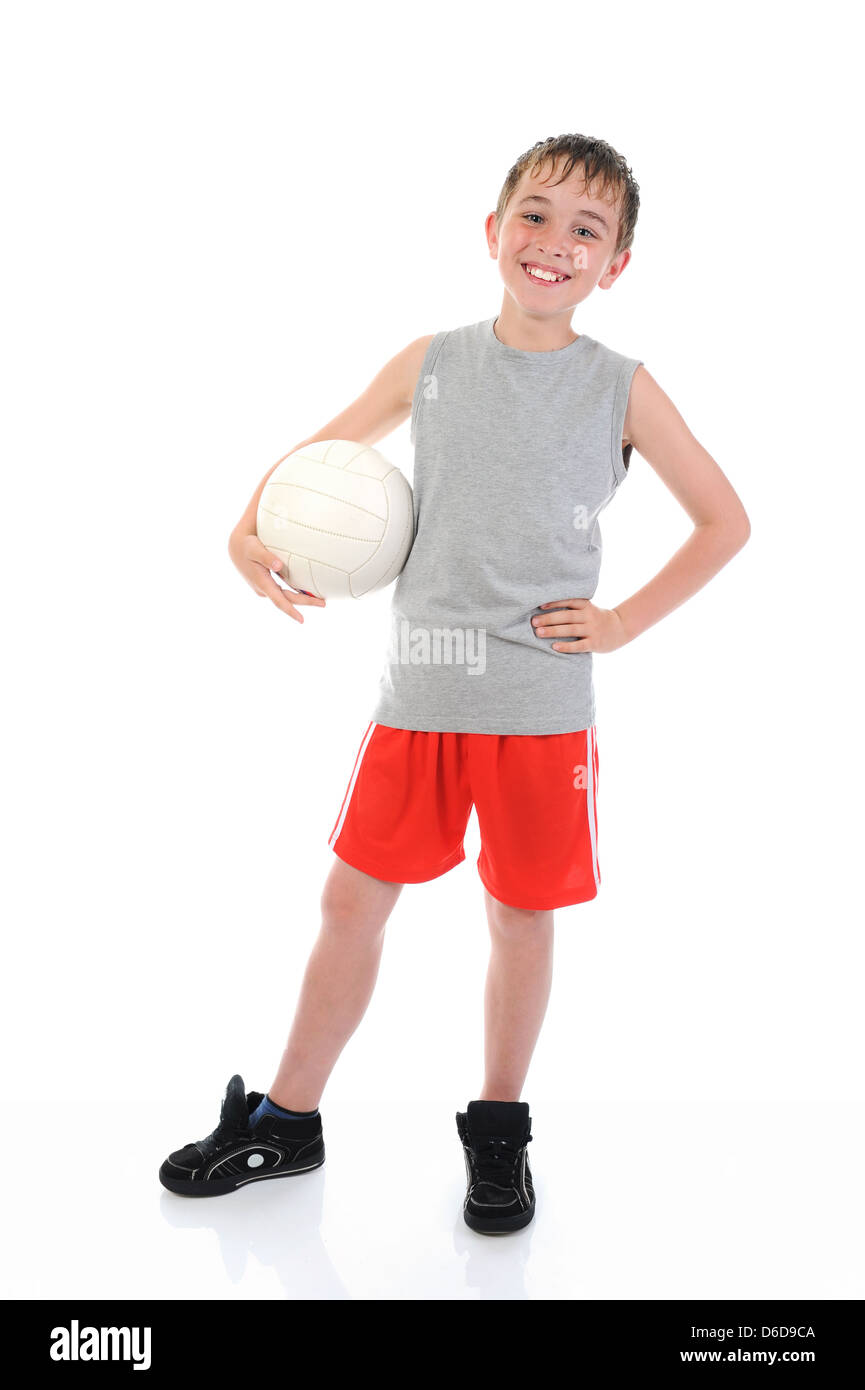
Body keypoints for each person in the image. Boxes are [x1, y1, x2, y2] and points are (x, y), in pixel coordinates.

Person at [159, 133, 751, 1235]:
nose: (554, 242)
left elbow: (727, 521)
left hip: (536, 713)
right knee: (350, 901)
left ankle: (497, 1130)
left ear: (615, 264)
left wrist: (620, 621)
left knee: (520, 919)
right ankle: (286, 1121)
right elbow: (313, 457)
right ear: (492, 233)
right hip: (420, 694)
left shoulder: (620, 386)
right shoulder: (430, 360)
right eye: (534, 214)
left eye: (587, 229)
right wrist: (245, 527)